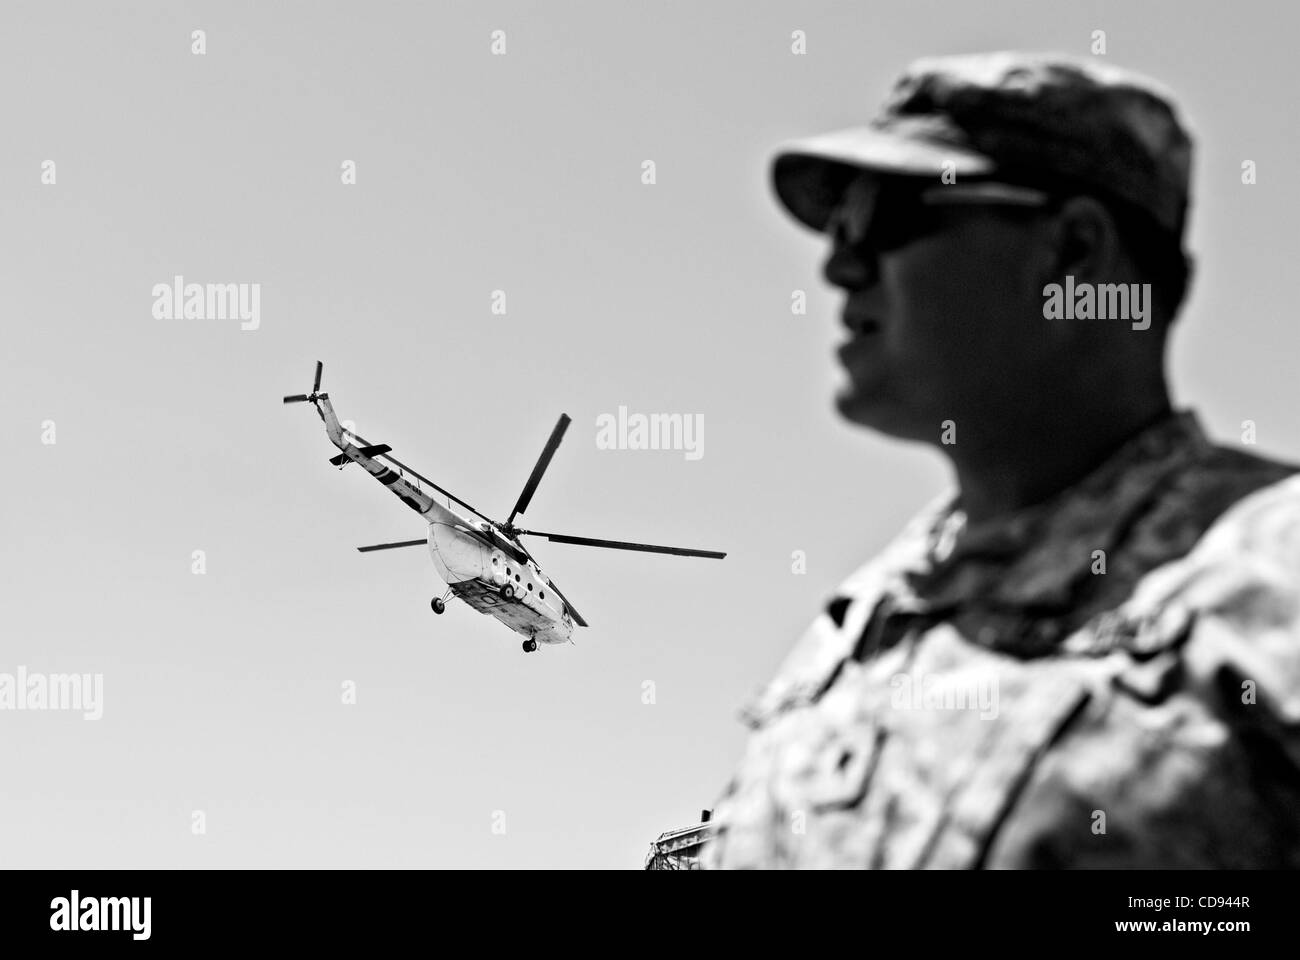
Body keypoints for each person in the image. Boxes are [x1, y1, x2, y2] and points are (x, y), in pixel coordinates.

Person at [701, 51, 1300, 868]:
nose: (839, 267)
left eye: (887, 216)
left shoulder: (1275, 580)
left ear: (1074, 255)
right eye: (839, 227)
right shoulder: (849, 640)